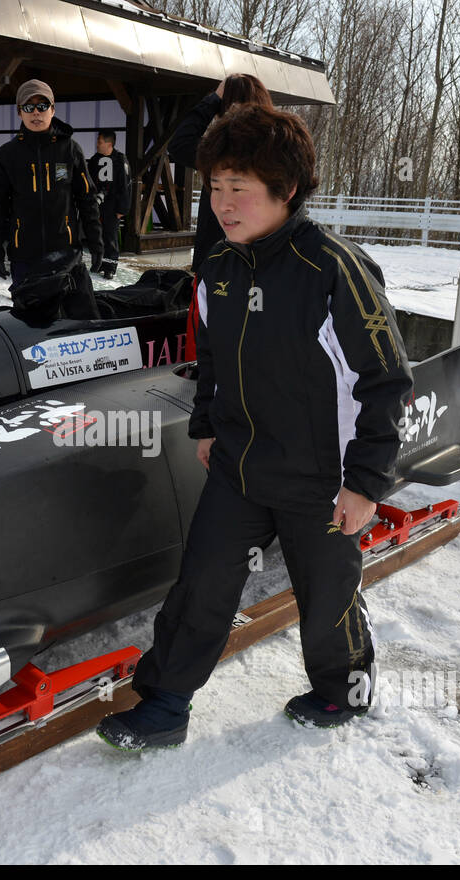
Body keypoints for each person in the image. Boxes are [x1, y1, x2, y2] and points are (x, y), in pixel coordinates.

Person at [95, 104, 414, 752]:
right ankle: (164, 703)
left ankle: (342, 687)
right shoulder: (218, 267)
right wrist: (209, 425)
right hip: (241, 466)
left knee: (327, 598)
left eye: (239, 187)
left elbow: (386, 379)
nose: (222, 202)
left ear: (286, 189)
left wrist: (366, 482)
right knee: (202, 582)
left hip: (323, 479)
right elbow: (210, 356)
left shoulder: (334, 271)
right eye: (214, 186)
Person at [0, 80, 102, 286]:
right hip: (24, 255)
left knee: (70, 314)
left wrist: (96, 244)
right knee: (28, 314)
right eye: (28, 107)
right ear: (19, 112)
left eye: (42, 106)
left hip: (65, 253)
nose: (36, 113)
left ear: (52, 109)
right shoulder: (6, 154)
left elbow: (87, 199)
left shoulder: (70, 150)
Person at [168, 74, 273, 274]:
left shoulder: (221, 152)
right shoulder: (276, 149)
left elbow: (179, 144)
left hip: (218, 262)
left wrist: (213, 100)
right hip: (262, 263)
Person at [89, 130, 130, 279]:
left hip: (112, 206)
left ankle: (110, 267)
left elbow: (125, 185)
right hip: (97, 205)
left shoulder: (120, 160)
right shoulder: (94, 160)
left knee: (110, 237)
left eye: (100, 142)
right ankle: (97, 263)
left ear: (109, 144)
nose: (97, 144)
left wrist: (122, 209)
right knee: (96, 235)